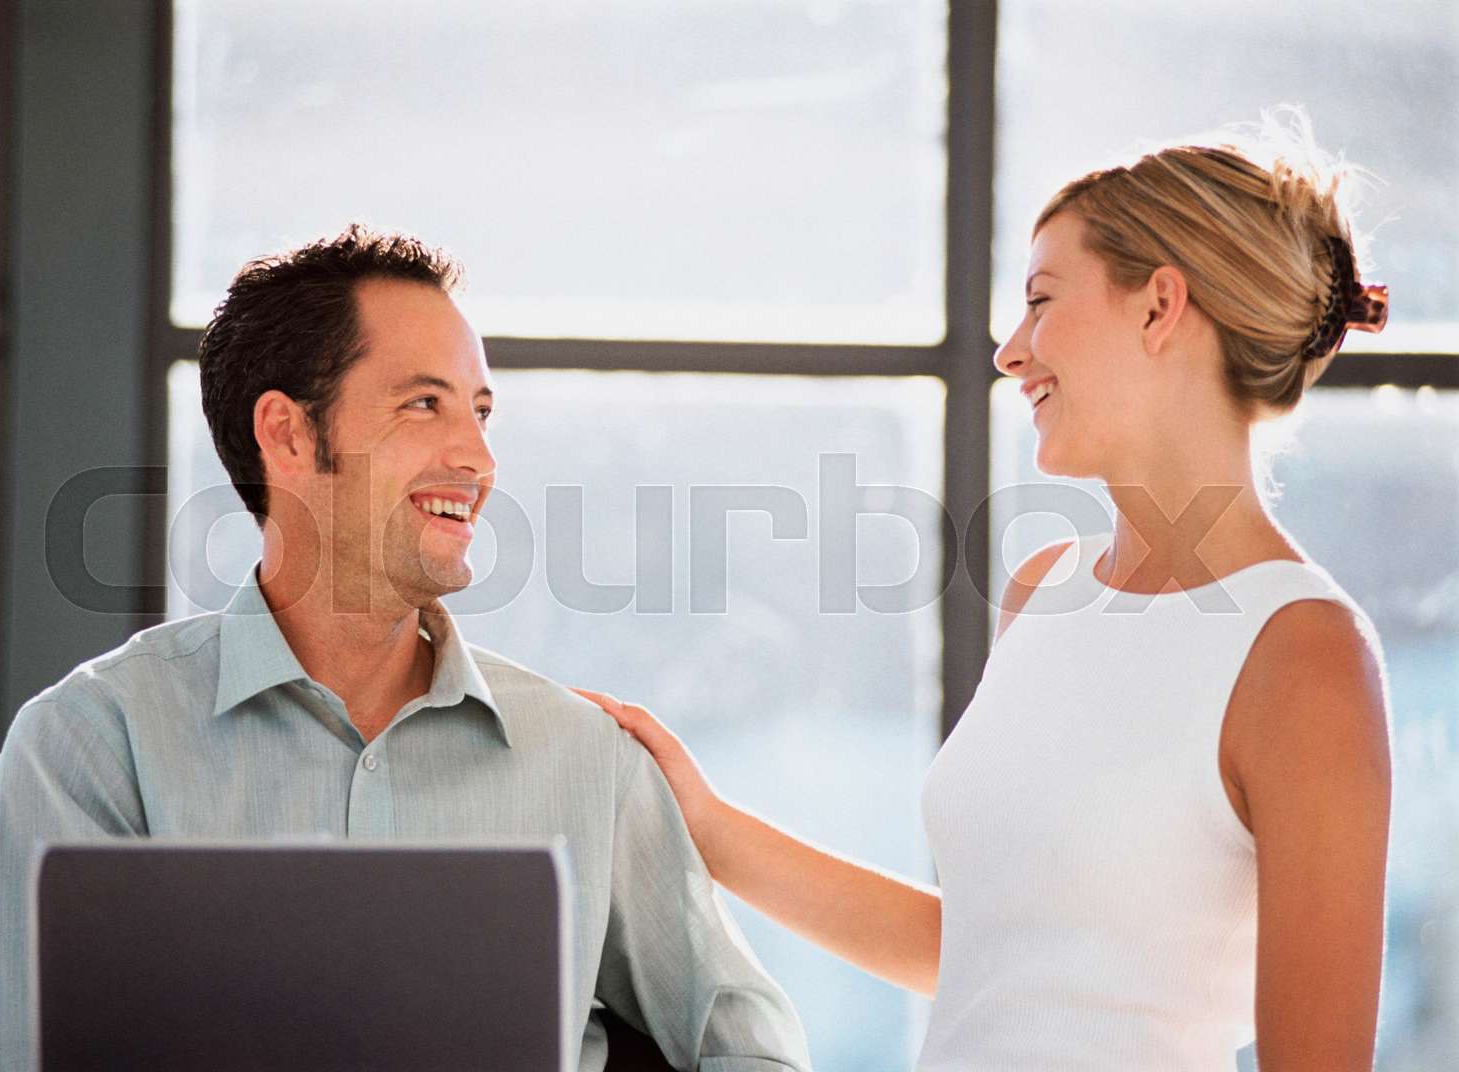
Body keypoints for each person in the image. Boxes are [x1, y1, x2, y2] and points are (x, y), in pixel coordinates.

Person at [577, 112, 1393, 1071]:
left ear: (1159, 307)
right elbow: (979, 954)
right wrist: (708, 828)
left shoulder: (1305, 652)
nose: (1010, 352)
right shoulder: (1045, 590)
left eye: (1043, 301)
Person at [0, 226, 811, 1072]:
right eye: (425, 404)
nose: (478, 457)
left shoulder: (587, 761)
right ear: (289, 434)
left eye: (480, 413)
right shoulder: (89, 747)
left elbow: (751, 1054)